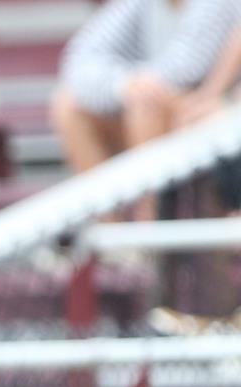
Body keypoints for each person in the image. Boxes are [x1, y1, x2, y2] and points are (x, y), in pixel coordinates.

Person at [53, 0, 241, 221]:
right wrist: (124, 83)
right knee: (68, 105)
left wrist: (143, 86)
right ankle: (111, 231)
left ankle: (148, 224)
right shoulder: (140, 5)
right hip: (187, 113)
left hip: (212, 122)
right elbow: (79, 62)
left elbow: (184, 70)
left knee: (147, 106)